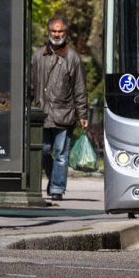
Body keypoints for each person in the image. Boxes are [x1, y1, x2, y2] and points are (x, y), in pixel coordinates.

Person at [29, 15, 88, 200]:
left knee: (61, 155)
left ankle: (56, 189)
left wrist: (83, 114)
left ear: (65, 32)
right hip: (42, 114)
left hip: (65, 114)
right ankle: (53, 179)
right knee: (44, 150)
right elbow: (29, 84)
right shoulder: (38, 55)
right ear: (49, 32)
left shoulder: (73, 58)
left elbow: (80, 88)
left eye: (60, 31)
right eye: (54, 31)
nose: (56, 34)